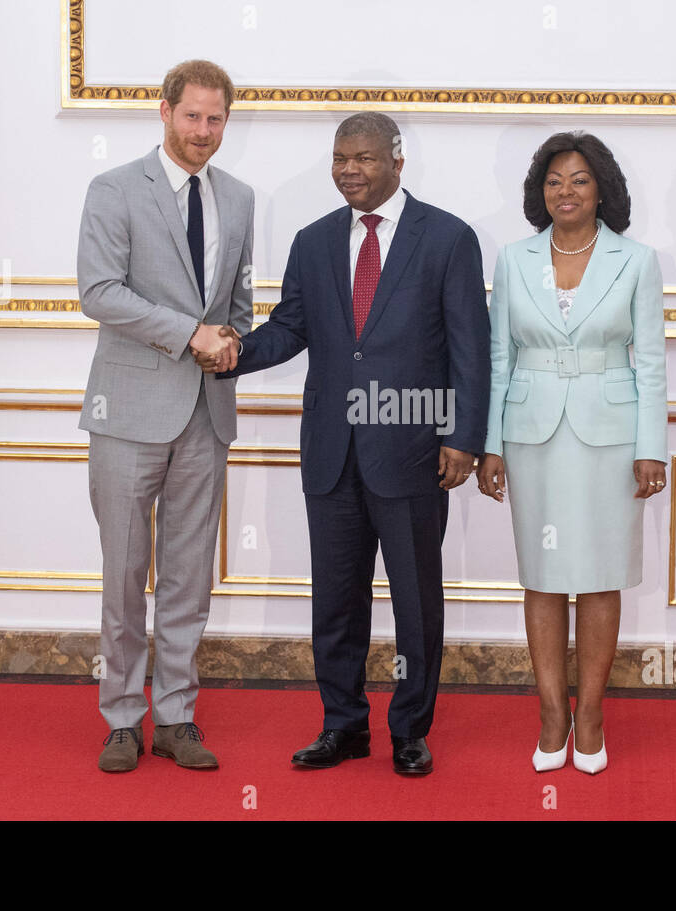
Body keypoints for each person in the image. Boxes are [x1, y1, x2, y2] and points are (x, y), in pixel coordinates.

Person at [195, 112, 490, 775]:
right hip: (331, 452)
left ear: (397, 161)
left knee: (416, 603)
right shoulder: (314, 240)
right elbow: (290, 325)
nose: (349, 169)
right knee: (334, 600)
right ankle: (343, 725)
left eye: (363, 157)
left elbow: (473, 349)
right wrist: (232, 352)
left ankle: (410, 730)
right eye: (339, 158)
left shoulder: (447, 238)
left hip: (414, 453)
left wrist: (464, 438)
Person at [76, 60, 254, 773]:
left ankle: (177, 712)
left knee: (188, 575)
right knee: (124, 572)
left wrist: (232, 341)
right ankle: (122, 715)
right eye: (192, 116)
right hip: (127, 410)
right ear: (164, 111)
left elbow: (235, 301)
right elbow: (99, 291)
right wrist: (189, 334)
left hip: (206, 414)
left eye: (216, 119)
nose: (204, 132)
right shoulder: (114, 188)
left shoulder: (239, 198)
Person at [476, 131, 668, 775]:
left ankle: (591, 714)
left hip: (611, 439)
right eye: (555, 179)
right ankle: (552, 712)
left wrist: (652, 448)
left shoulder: (635, 260)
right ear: (540, 191)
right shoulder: (512, 258)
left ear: (602, 189)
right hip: (530, 435)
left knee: (600, 574)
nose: (566, 190)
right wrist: (490, 444)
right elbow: (499, 356)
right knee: (544, 575)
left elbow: (651, 364)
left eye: (580, 179)